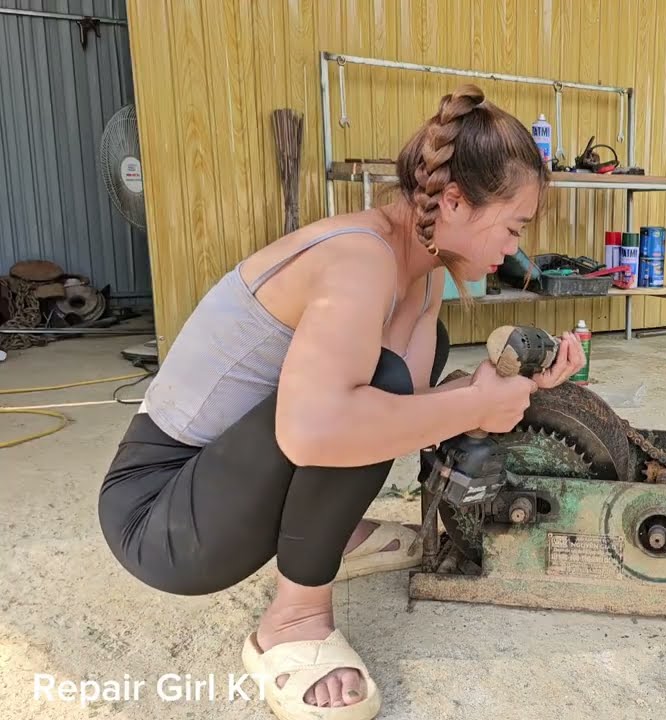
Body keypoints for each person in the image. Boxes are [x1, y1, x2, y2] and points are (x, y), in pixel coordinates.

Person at [97, 84, 585, 719]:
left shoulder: (421, 274)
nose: (514, 250)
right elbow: (318, 429)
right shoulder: (359, 258)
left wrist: (499, 389)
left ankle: (327, 535)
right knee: (364, 392)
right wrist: (473, 407)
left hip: (219, 482)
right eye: (514, 227)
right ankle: (293, 621)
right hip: (161, 519)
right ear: (456, 202)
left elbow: (405, 415)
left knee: (393, 380)